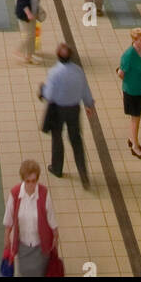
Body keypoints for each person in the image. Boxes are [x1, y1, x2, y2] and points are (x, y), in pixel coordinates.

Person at [40, 43, 94, 187]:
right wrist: (89, 104)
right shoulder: (78, 71)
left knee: (57, 138)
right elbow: (85, 90)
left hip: (57, 110)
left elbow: (49, 95)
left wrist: (42, 90)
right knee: (76, 140)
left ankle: (57, 168)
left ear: (58, 56)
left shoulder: (54, 72)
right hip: (74, 110)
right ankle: (83, 173)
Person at [2, 160, 59, 278]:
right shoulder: (15, 193)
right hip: (23, 245)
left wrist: (55, 233)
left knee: (40, 272)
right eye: (27, 181)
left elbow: (50, 216)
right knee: (23, 272)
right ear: (23, 179)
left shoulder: (44, 193)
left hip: (41, 244)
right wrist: (7, 236)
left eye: (34, 181)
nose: (31, 185)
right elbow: (9, 218)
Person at [117, 28, 141, 158]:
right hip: (132, 91)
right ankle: (135, 147)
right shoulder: (128, 55)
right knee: (135, 119)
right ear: (134, 41)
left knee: (137, 116)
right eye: (140, 40)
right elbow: (121, 73)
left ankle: (132, 139)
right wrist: (131, 80)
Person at [15, 0, 44, 64]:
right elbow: (22, 1)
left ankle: (29, 56)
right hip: (25, 15)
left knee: (32, 35)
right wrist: (28, 13)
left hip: (33, 12)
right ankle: (19, 50)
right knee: (28, 36)